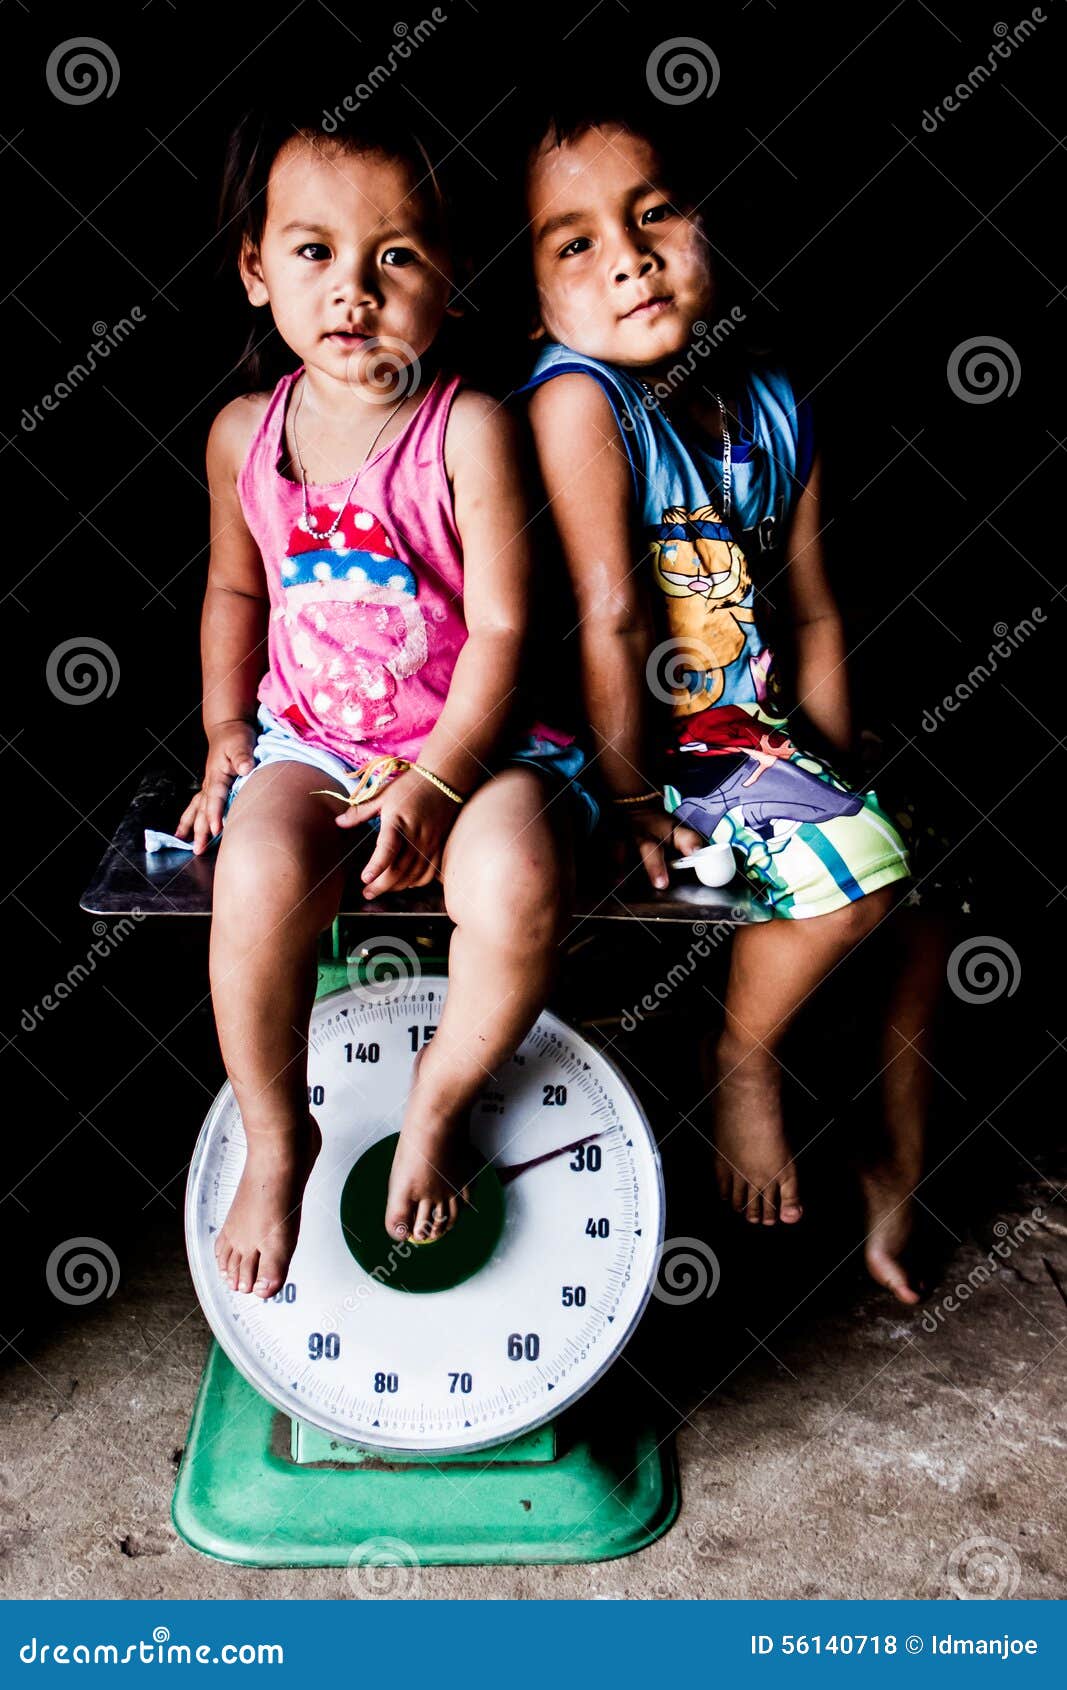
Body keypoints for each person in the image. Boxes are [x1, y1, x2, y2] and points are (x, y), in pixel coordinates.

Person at [173, 102, 597, 1300]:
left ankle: (437, 1103)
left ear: (451, 279)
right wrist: (223, 743)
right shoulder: (243, 437)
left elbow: (506, 628)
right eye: (314, 253)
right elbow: (231, 593)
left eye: (395, 256)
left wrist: (439, 778)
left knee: (514, 879)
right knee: (255, 872)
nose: (352, 288)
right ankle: (276, 1130)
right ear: (257, 272)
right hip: (314, 742)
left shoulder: (467, 427)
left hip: (476, 747)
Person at [519, 101, 929, 1300]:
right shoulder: (578, 402)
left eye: (653, 215)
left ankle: (891, 1174)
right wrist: (631, 791)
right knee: (862, 869)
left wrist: (840, 778)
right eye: (574, 243)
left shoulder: (771, 399)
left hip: (753, 743)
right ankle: (738, 1053)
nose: (629, 257)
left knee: (916, 915)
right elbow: (608, 617)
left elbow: (809, 613)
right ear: (536, 297)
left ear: (709, 224)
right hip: (650, 750)